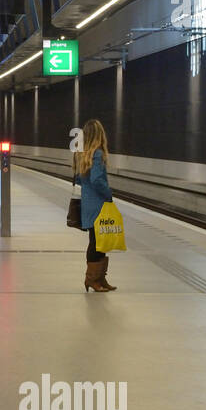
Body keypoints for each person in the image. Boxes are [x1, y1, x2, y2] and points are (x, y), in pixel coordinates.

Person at [73, 118, 118, 293]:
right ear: (100, 135)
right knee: (98, 243)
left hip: (88, 204)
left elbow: (79, 179)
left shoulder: (82, 153)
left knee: (98, 241)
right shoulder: (98, 153)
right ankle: (92, 279)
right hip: (99, 204)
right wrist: (109, 194)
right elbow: (97, 180)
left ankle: (99, 278)